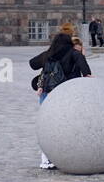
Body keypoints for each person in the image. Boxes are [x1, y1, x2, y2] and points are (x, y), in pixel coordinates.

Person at [29, 24, 93, 169]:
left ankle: (46, 159)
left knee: (47, 127)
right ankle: (68, 155)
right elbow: (85, 69)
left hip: (47, 94)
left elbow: (32, 64)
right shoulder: (73, 53)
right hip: (66, 95)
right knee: (68, 126)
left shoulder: (48, 54)